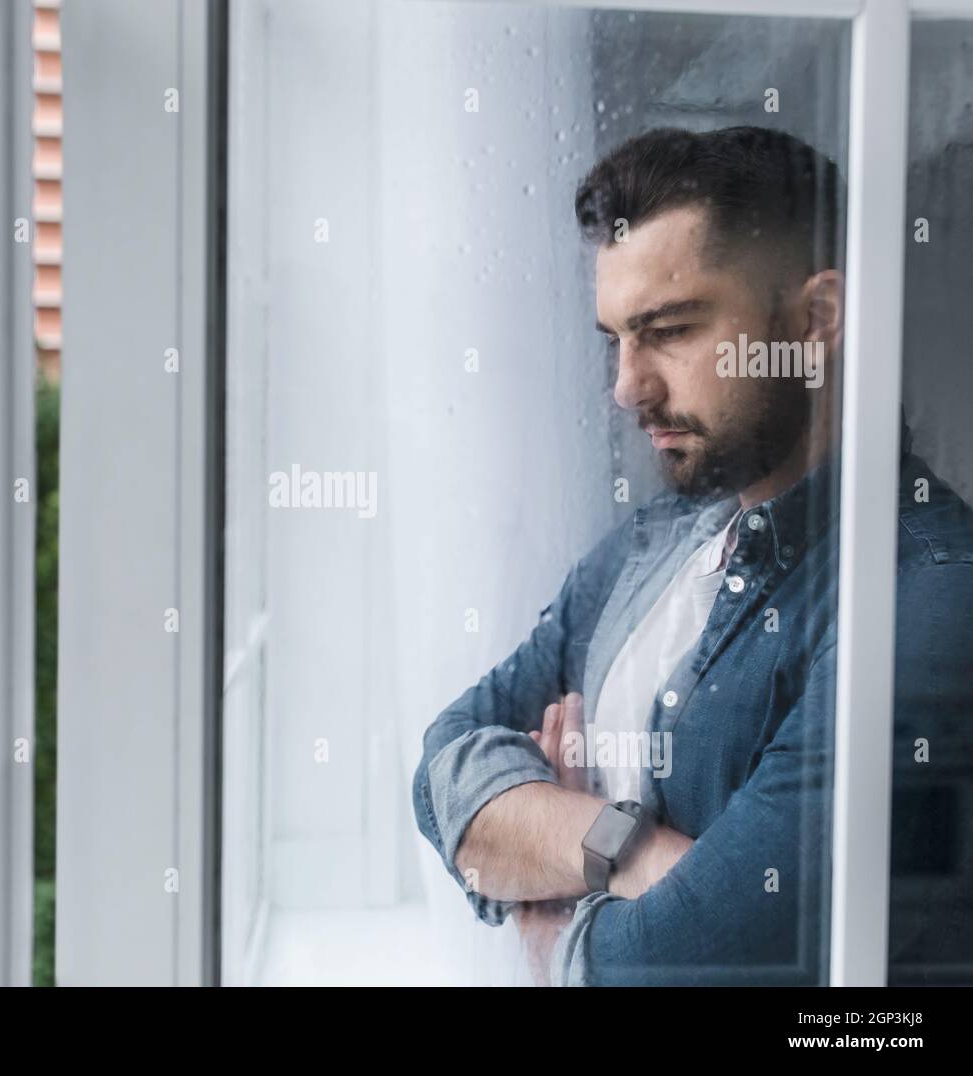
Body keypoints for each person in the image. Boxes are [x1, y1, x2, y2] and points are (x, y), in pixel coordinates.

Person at [411, 125, 973, 986]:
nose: (627, 387)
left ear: (815, 320)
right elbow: (446, 761)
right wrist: (620, 847)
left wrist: (555, 920)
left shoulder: (928, 594)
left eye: (668, 330)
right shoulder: (655, 542)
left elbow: (689, 964)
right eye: (615, 339)